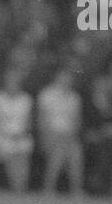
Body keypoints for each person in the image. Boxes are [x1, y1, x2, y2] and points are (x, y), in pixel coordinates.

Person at [36, 65, 85, 196]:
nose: (67, 81)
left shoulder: (75, 98)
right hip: (50, 136)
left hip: (69, 137)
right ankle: (48, 188)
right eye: (64, 77)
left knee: (76, 152)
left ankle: (76, 190)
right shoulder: (46, 94)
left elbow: (76, 122)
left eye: (69, 78)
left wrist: (70, 137)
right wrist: (49, 136)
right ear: (57, 78)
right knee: (59, 152)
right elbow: (42, 121)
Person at [0, 66, 34, 192]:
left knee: (23, 148)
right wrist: (8, 134)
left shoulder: (26, 99)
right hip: (1, 135)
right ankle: (18, 188)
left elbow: (28, 124)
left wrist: (20, 134)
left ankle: (20, 186)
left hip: (21, 135)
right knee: (11, 150)